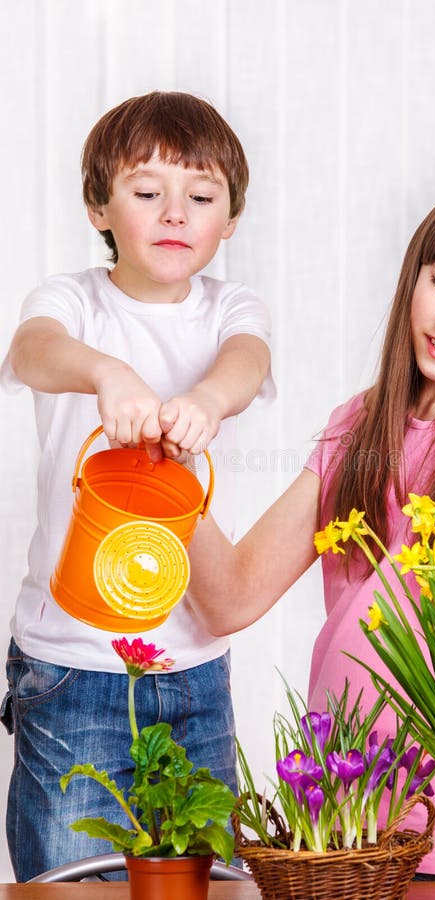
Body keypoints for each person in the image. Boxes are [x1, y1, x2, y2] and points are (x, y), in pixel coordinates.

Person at [183, 166, 435, 883]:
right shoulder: (361, 422)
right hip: (337, 844)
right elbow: (230, 596)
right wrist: (164, 467)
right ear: (415, 272)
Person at [0, 90, 274, 881]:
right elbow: (32, 350)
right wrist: (105, 373)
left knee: (203, 880)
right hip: (73, 664)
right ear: (99, 207)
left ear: (231, 219)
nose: (174, 214)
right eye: (148, 193)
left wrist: (207, 402)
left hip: (192, 667)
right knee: (73, 881)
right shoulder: (71, 304)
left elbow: (247, 364)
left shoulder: (230, 310)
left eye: (201, 196)